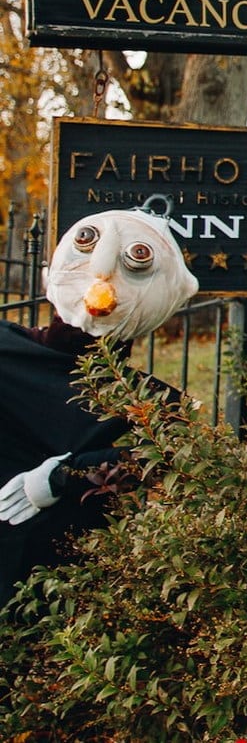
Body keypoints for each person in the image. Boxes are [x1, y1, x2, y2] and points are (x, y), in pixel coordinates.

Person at [0, 203, 198, 604]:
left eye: (138, 260)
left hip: (65, 603)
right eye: (86, 245)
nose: (102, 274)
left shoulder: (157, 408)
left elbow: (160, 460)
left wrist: (65, 475)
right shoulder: (5, 348)